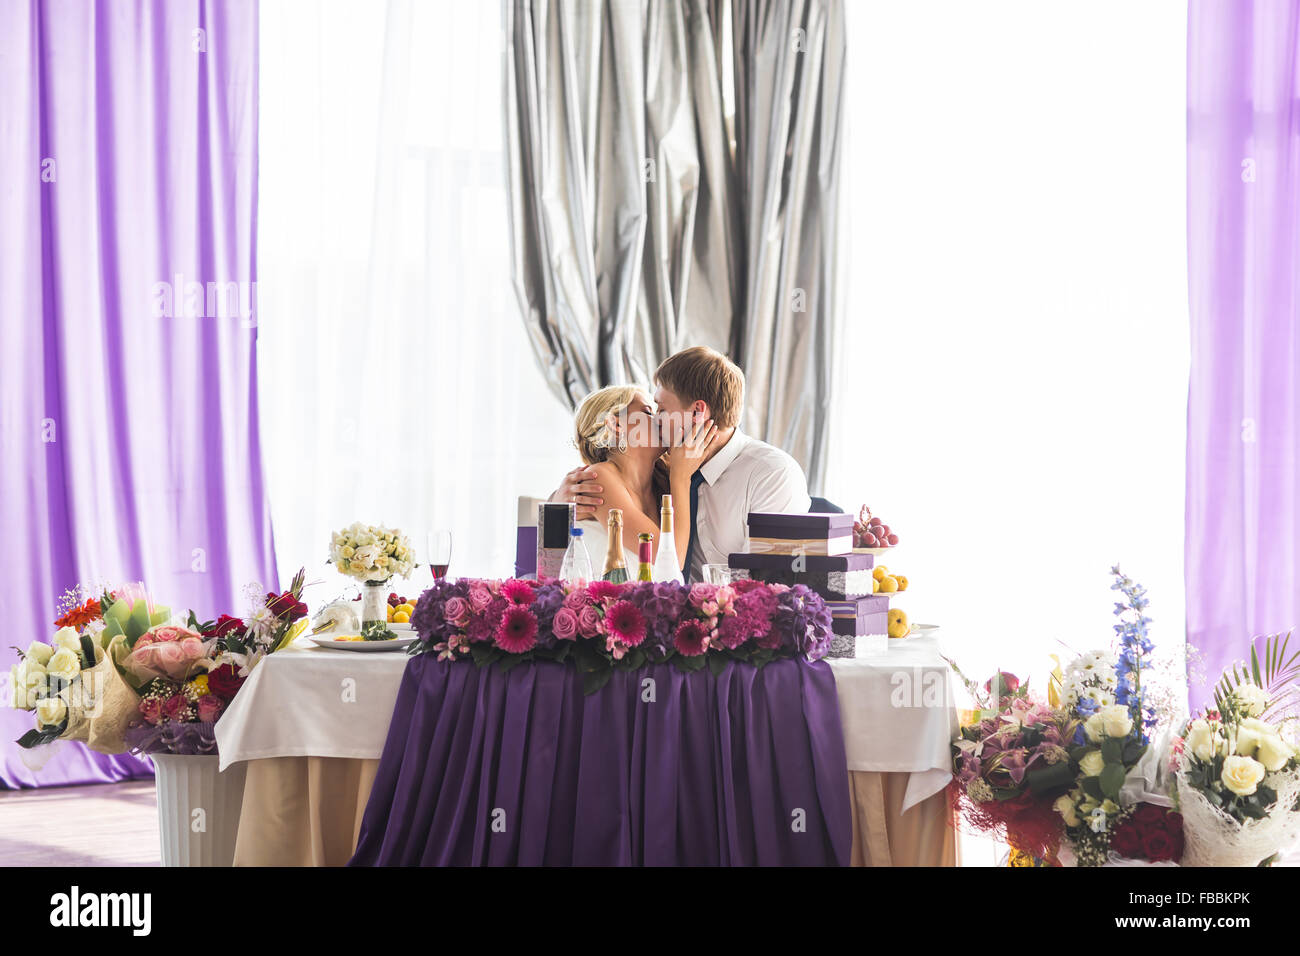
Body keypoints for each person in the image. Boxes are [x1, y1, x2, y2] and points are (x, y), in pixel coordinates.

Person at [551, 346, 810, 580]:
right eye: (649, 412)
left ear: (697, 412)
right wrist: (556, 505)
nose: (656, 420)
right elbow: (668, 556)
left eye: (660, 410)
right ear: (617, 426)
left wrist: (679, 477)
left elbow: (771, 586)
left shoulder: (765, 473)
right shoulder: (668, 472)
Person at [567, 384, 718, 570]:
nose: (660, 419)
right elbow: (671, 562)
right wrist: (681, 477)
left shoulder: (660, 481)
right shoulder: (598, 478)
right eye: (648, 413)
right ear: (617, 425)